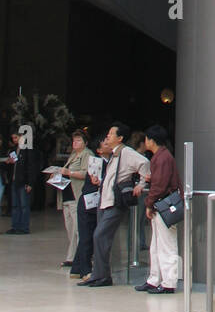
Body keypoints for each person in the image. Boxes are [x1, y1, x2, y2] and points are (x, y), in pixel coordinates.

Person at [78, 123, 150, 288]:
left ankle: (102, 275)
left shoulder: (126, 152)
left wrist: (141, 184)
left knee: (99, 236)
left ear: (120, 138)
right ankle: (99, 274)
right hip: (105, 201)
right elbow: (113, 178)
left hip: (114, 203)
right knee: (101, 238)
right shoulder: (114, 155)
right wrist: (100, 183)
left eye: (111, 134)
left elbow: (145, 164)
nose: (107, 137)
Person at [135, 126, 182, 294]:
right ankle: (154, 279)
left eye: (147, 138)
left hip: (162, 206)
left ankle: (168, 282)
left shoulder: (161, 158)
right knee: (156, 245)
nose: (145, 141)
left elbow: (160, 185)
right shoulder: (163, 156)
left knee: (165, 245)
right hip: (162, 206)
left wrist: (149, 203)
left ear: (151, 140)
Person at [70, 134, 110, 279]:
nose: (109, 145)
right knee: (87, 236)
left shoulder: (108, 161)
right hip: (88, 203)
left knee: (86, 235)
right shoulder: (97, 162)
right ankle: (85, 270)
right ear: (99, 150)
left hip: (93, 203)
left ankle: (76, 268)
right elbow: (96, 180)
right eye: (105, 144)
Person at [56, 129, 92, 267]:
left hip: (77, 194)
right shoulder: (73, 155)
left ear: (85, 142)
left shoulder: (86, 154)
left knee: (78, 228)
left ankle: (77, 257)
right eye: (74, 140)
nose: (75, 143)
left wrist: (68, 172)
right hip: (67, 195)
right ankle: (72, 255)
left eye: (78, 140)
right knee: (70, 228)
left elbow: (85, 173)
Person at [6, 129, 37, 235]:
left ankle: (24, 227)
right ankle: (15, 226)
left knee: (24, 205)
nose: (14, 140)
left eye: (16, 137)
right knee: (15, 205)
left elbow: (31, 166)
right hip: (15, 180)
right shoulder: (14, 149)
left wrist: (30, 183)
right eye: (13, 138)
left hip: (24, 181)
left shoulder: (28, 149)